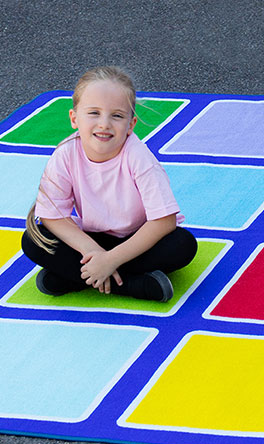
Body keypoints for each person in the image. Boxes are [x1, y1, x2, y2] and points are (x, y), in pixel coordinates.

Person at [21, 66, 197, 302]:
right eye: (93, 113)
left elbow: (163, 221)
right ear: (74, 118)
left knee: (183, 245)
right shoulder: (65, 154)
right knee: (33, 240)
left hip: (139, 239)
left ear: (131, 124)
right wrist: (93, 253)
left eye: (116, 116)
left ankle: (71, 278)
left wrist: (111, 260)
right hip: (92, 238)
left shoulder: (139, 158)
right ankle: (133, 285)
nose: (104, 124)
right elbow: (53, 216)